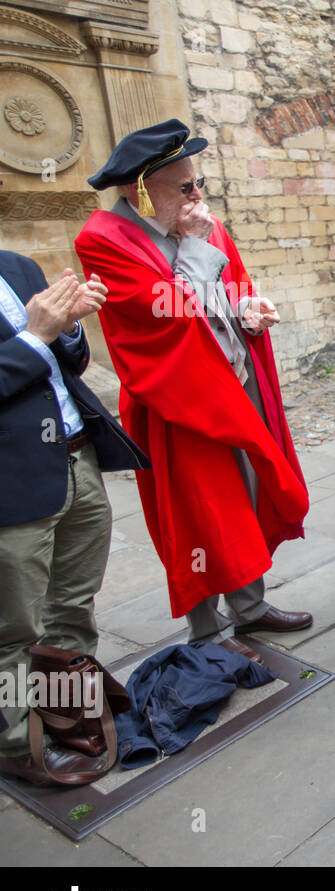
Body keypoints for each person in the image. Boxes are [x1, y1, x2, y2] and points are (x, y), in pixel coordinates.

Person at [75, 119, 312, 654]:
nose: (197, 195)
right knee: (197, 511)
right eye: (184, 187)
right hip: (176, 402)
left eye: (197, 183)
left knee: (245, 495)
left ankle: (249, 608)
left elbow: (231, 291)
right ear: (141, 190)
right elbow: (170, 316)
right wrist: (198, 246)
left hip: (233, 385)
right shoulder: (105, 240)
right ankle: (207, 631)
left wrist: (250, 310)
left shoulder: (198, 222)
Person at [0, 252, 149, 785]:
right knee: (14, 626)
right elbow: (27, 352)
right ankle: (17, 744)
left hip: (76, 453)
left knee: (72, 602)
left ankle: (68, 713)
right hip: (12, 480)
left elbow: (70, 363)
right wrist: (36, 336)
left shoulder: (17, 266)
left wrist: (69, 330)